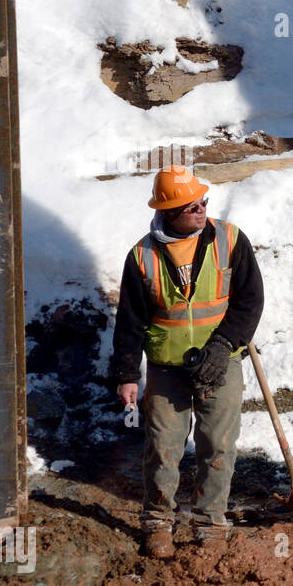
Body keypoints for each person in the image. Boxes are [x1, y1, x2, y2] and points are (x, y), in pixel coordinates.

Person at [110, 165, 264, 558]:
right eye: (189, 205)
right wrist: (127, 373)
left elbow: (249, 301)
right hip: (166, 368)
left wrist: (224, 343)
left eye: (202, 201)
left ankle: (210, 524)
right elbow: (130, 320)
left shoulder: (230, 240)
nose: (199, 209)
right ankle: (158, 523)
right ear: (168, 212)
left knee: (218, 444)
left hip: (220, 362)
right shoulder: (141, 256)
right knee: (163, 447)